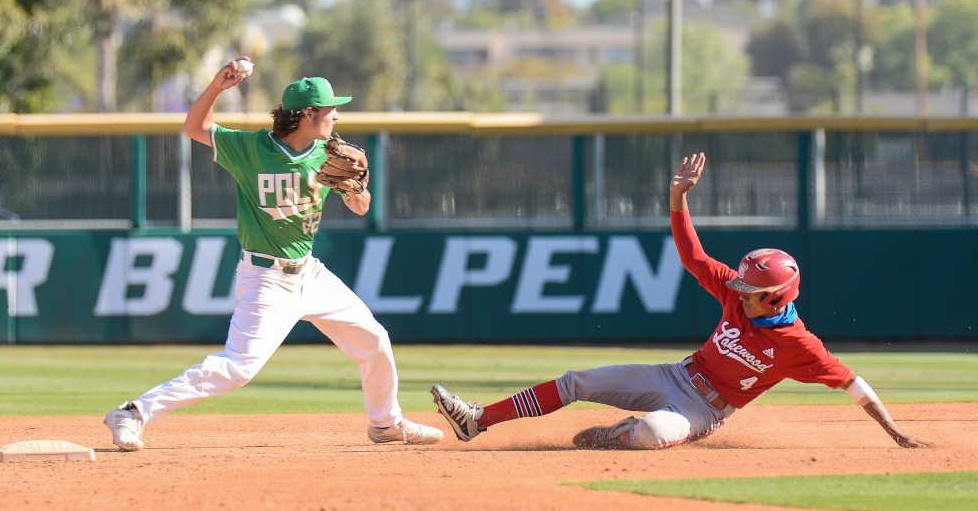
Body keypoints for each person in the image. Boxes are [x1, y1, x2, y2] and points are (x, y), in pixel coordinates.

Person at [431, 153, 928, 450]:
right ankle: (477, 420)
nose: (738, 291)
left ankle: (614, 436)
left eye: (751, 290)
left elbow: (855, 385)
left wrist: (896, 433)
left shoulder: (800, 345)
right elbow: (693, 257)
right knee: (575, 381)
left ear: (776, 296)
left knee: (648, 436)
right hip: (675, 375)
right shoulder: (738, 295)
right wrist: (679, 198)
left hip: (706, 412)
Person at [104, 57, 443, 450]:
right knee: (237, 368)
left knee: (374, 340)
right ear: (308, 114)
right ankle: (131, 413)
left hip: (310, 274)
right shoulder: (250, 148)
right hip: (266, 277)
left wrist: (354, 187)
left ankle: (385, 424)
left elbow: (361, 208)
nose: (336, 115)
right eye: (330, 109)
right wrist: (216, 87)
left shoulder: (325, 154)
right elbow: (193, 127)